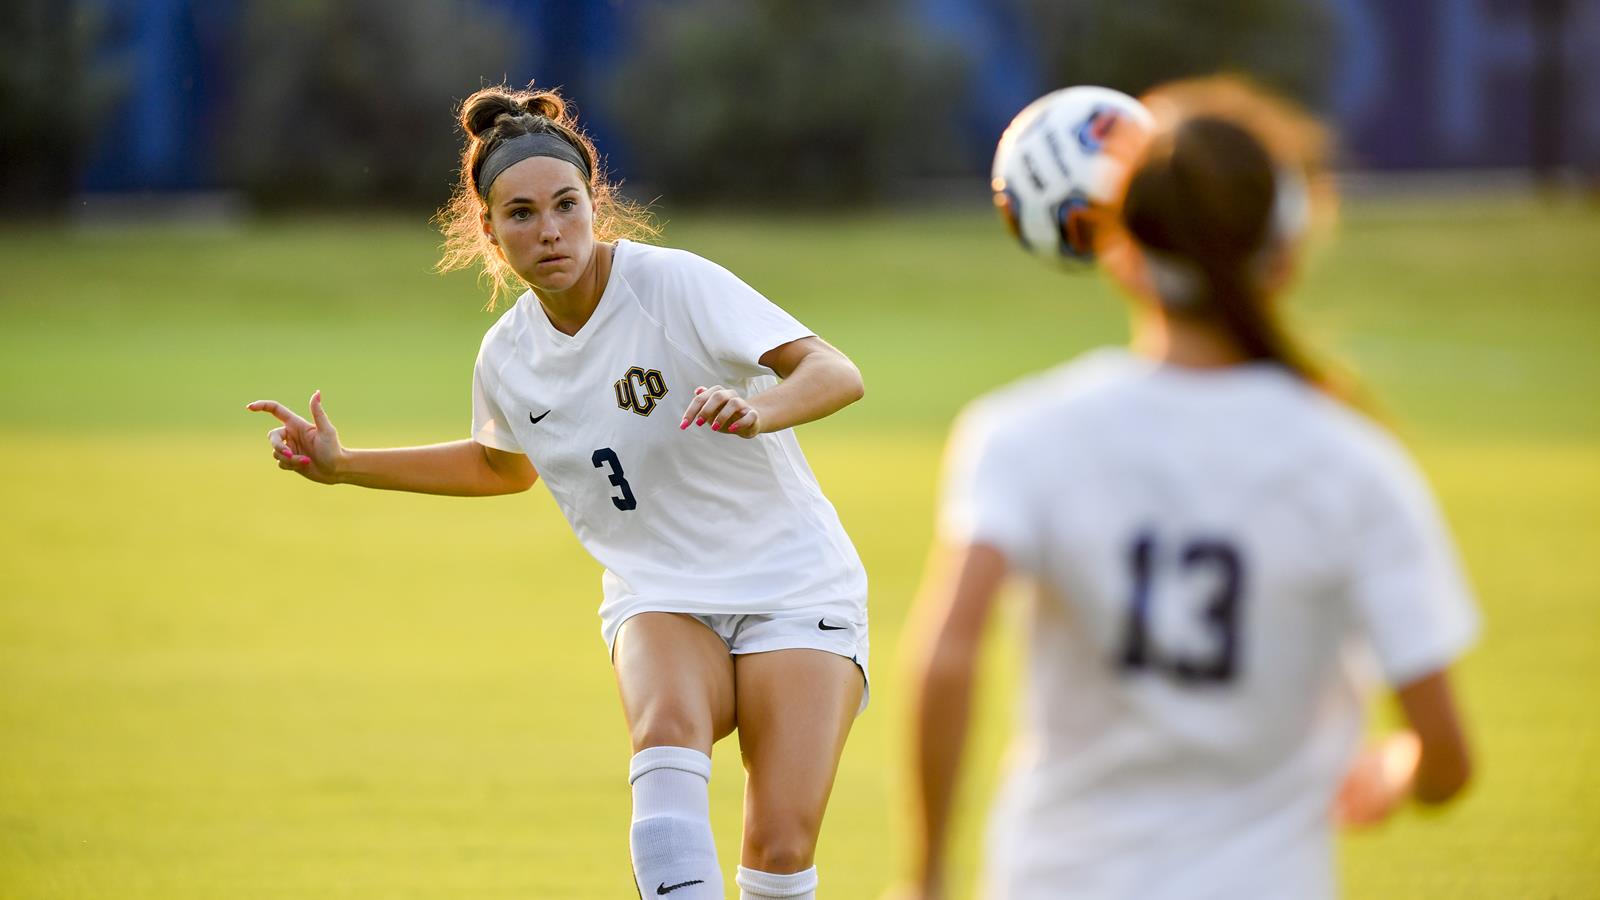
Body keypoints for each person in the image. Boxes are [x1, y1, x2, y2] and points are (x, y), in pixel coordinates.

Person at [249, 86, 869, 900]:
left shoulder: (671, 285)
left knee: (779, 850)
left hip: (793, 584)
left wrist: (759, 409)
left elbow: (835, 372)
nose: (549, 230)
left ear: (593, 204)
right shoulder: (508, 355)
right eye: (522, 213)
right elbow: (502, 465)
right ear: (487, 230)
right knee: (665, 734)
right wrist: (345, 464)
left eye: (566, 205)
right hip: (661, 592)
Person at [897, 77, 1477, 900]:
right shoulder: (1355, 463)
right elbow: (1446, 758)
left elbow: (949, 653)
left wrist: (924, 876)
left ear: (1121, 251)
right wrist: (1395, 771)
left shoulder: (1021, 433)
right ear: (1284, 253)